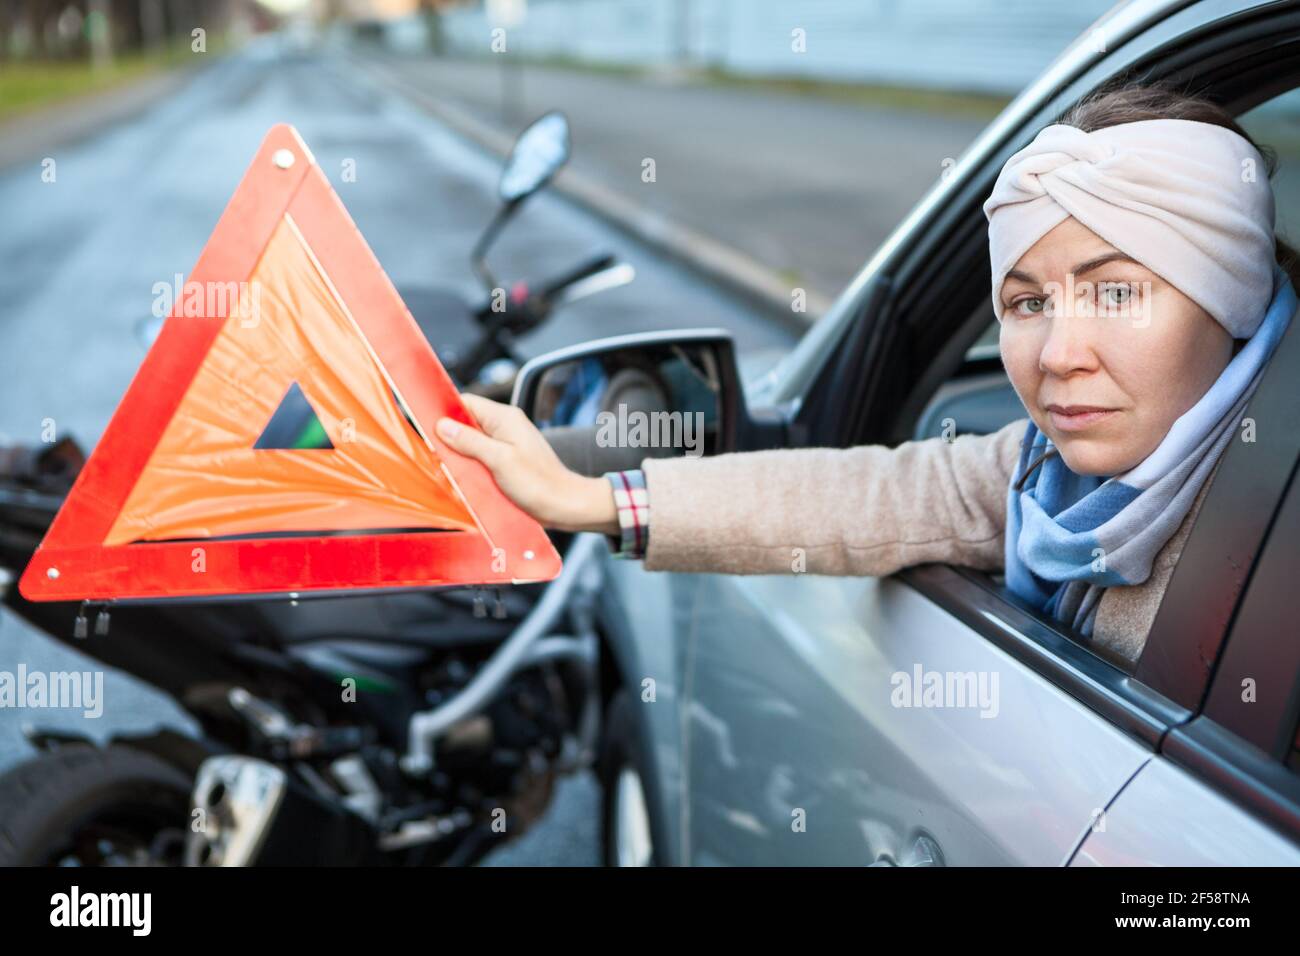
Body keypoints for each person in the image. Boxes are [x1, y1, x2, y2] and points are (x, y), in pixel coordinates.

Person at [433, 83, 1299, 669]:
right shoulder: (1040, 473)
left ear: (1230, 297)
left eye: (1117, 291)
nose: (1060, 353)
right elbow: (858, 491)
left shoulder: (1275, 512)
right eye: (1026, 303)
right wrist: (580, 501)